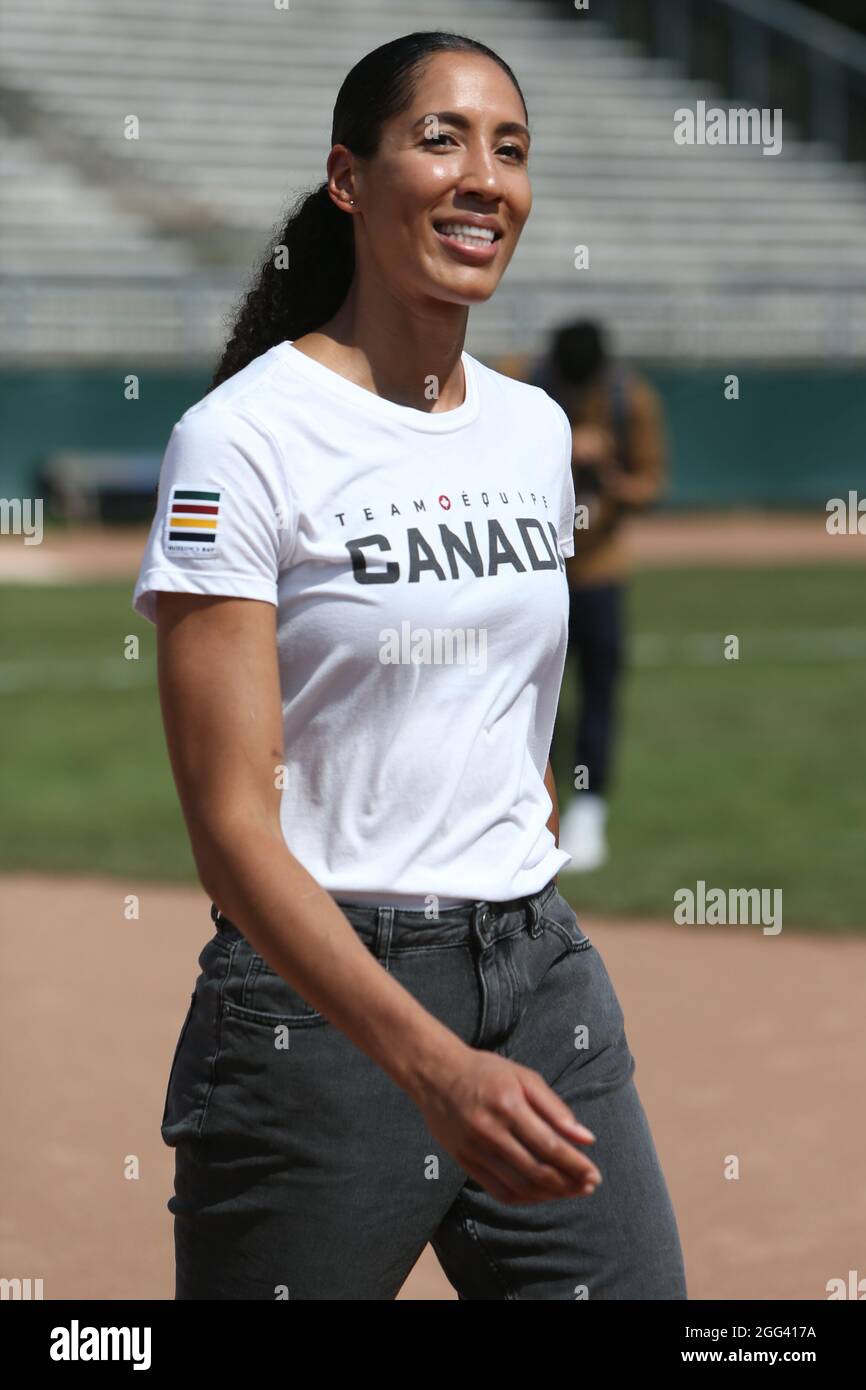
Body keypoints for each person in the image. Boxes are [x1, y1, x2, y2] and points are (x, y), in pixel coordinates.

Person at [132, 31, 686, 1301]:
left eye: (512, 149)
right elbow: (228, 822)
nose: (485, 175)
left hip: (541, 979)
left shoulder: (534, 429)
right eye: (441, 137)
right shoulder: (240, 440)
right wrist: (430, 1061)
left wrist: (516, 869)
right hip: (319, 1016)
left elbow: (506, 712)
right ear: (347, 178)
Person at [536, 321, 667, 870]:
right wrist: (564, 447)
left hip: (599, 573)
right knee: (532, 697)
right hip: (537, 570)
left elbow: (650, 487)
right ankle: (538, 810)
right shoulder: (525, 387)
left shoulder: (629, 399)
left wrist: (608, 471)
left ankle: (588, 811)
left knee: (598, 690)